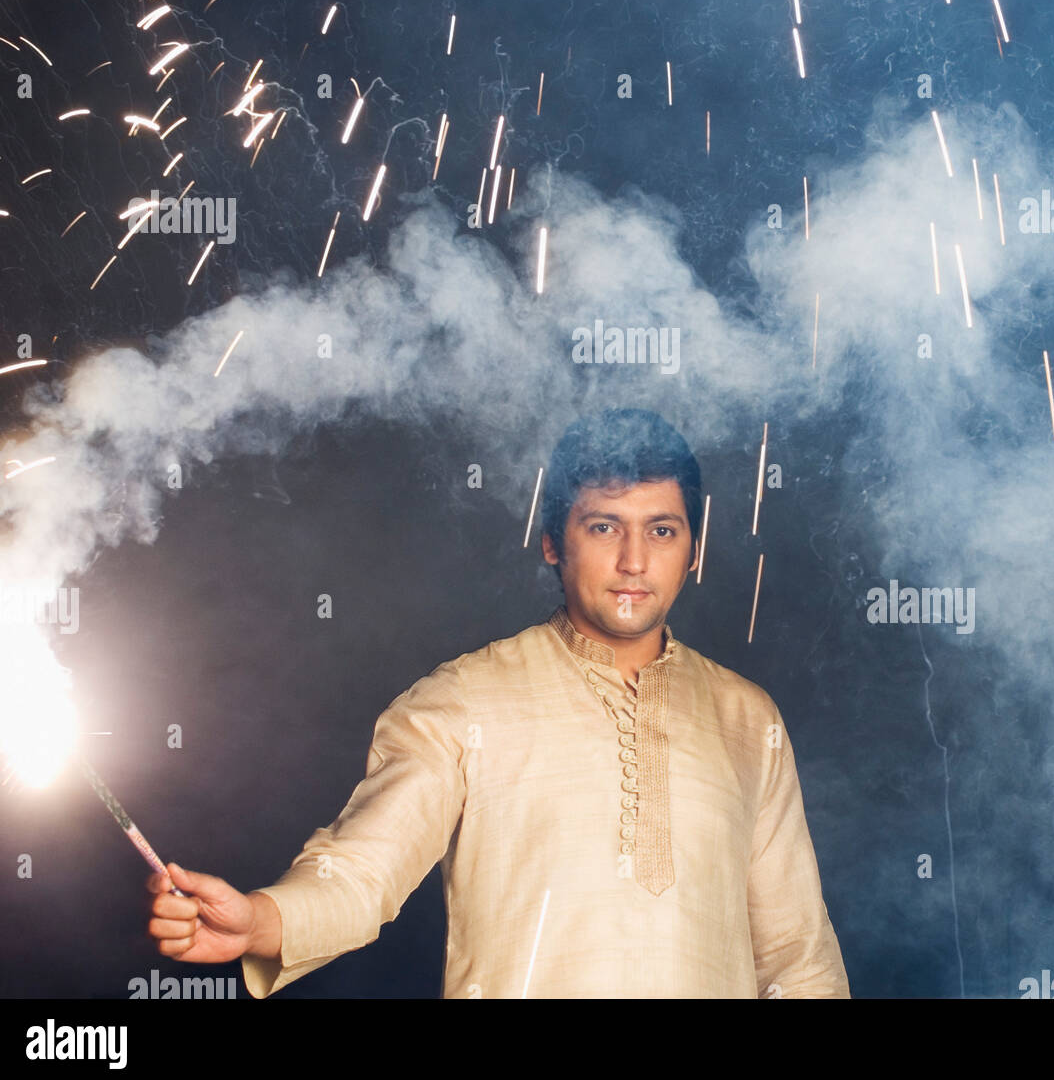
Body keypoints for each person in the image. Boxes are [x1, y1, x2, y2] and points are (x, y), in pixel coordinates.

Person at [146, 407, 850, 998]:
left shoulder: (747, 719)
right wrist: (262, 921)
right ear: (551, 542)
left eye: (662, 530)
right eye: (604, 526)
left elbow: (797, 955)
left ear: (693, 550)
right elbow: (362, 872)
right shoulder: (461, 703)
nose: (635, 560)